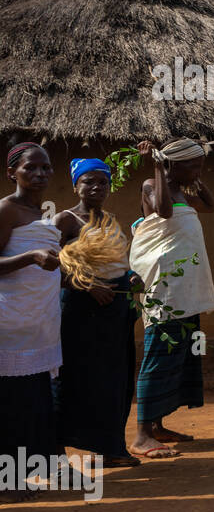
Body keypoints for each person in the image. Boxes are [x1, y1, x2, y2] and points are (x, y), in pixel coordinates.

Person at [127, 138, 214, 458]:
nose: (199, 170)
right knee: (158, 356)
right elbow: (163, 213)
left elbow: (211, 206)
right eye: (193, 165)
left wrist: (196, 180)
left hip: (185, 288)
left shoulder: (184, 193)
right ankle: (140, 436)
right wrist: (157, 165)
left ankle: (157, 426)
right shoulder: (153, 186)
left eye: (201, 165)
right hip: (164, 288)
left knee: (178, 355)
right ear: (173, 165)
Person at [52, 157, 139, 467]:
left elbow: (118, 263)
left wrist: (131, 277)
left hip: (113, 310)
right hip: (79, 312)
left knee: (113, 380)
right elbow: (50, 268)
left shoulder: (111, 220)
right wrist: (86, 288)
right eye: (89, 181)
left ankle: (110, 449)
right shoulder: (65, 221)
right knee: (73, 378)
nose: (96, 187)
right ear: (76, 185)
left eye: (102, 182)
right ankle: (58, 453)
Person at [0, 142, 63, 497]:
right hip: (9, 326)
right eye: (30, 168)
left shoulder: (42, 213)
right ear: (13, 173)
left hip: (38, 326)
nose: (40, 174)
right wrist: (31, 256)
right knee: (9, 406)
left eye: (45, 168)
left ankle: (16, 478)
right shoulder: (6, 210)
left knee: (29, 406)